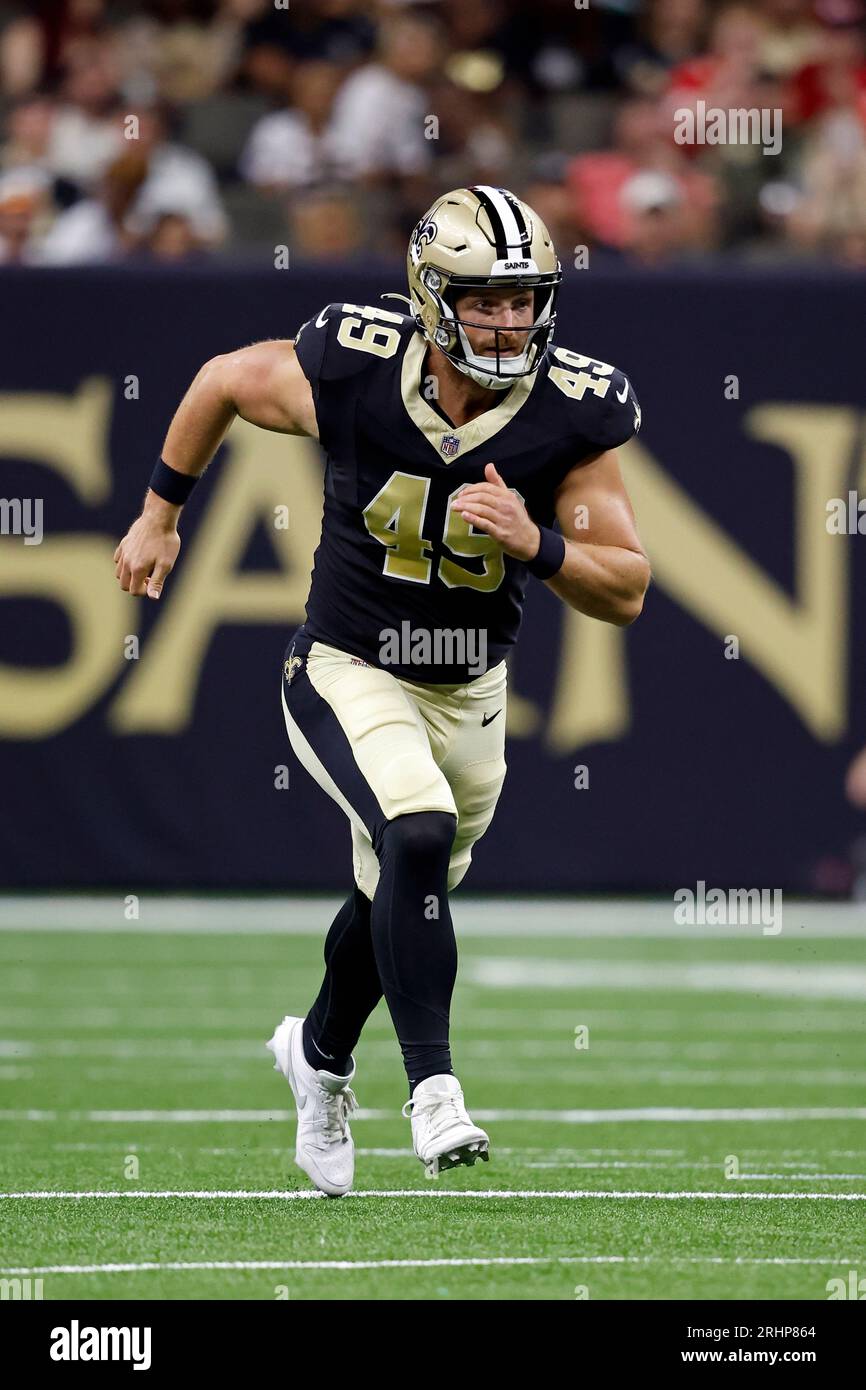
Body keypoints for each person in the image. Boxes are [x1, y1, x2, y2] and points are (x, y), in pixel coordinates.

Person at [112, 184, 650, 1196]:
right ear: (432, 294)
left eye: (523, 298)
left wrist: (536, 542)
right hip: (346, 662)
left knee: (397, 891)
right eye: (484, 300)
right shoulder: (355, 363)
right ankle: (433, 1089)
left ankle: (315, 1055)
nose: (508, 319)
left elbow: (624, 587)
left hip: (470, 690)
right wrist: (158, 514)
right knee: (413, 831)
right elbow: (223, 379)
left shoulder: (571, 407)